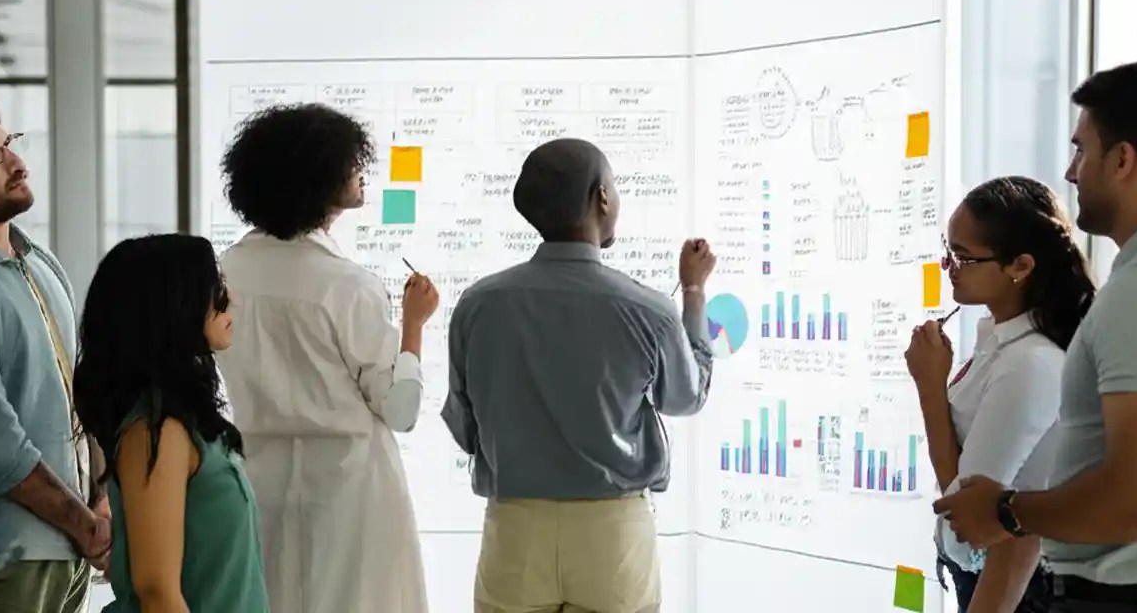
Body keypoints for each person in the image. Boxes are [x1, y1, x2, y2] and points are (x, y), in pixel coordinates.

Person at [934, 60, 1137, 612]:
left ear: (1123, 160)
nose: (1071, 173)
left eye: (1082, 150)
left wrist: (1007, 511)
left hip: (1130, 601)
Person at [442, 137, 716, 613]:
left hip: (515, 528)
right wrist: (692, 291)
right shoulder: (646, 308)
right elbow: (685, 398)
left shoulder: (477, 305)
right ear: (602, 197)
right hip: (613, 536)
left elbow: (467, 428)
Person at [214, 103, 440, 613]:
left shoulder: (225, 271)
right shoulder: (348, 286)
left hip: (261, 481)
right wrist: (413, 326)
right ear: (316, 179)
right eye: (351, 163)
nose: (362, 173)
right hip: (352, 489)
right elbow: (400, 411)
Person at [906, 175, 1096, 613]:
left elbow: (965, 514)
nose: (947, 266)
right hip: (983, 575)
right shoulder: (997, 336)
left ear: (1021, 267)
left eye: (963, 257)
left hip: (1012, 588)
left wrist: (930, 390)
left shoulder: (1030, 363)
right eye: (948, 250)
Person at [0, 83, 109, 612]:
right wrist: (86, 525)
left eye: (10, 142)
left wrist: (103, 499)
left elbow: (81, 399)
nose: (16, 162)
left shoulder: (36, 258)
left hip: (66, 551)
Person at [72, 234, 268, 612]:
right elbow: (156, 590)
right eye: (217, 290)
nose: (232, 302)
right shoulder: (155, 431)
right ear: (175, 307)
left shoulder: (182, 421)